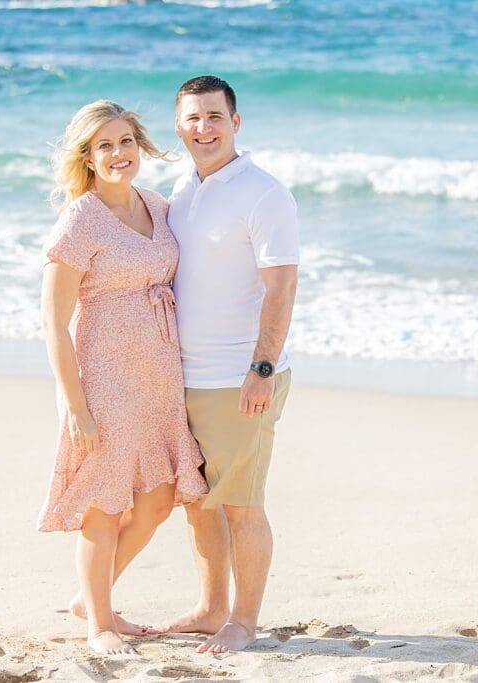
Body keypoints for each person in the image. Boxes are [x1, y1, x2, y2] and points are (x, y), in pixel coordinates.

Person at [37, 100, 208, 655]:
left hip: (160, 374)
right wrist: (75, 405)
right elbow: (52, 322)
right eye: (104, 145)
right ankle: (99, 625)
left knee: (158, 501)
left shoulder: (157, 206)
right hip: (106, 379)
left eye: (126, 141)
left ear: (141, 145)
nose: (118, 153)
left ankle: (94, 599)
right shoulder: (81, 218)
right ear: (86, 157)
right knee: (105, 503)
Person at [162, 76, 300, 653]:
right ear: (179, 127)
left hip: (240, 379)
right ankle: (210, 606)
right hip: (186, 375)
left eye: (215, 116)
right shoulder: (184, 187)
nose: (204, 128)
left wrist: (261, 367)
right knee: (199, 503)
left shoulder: (265, 194)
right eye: (193, 118)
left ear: (236, 122)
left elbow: (282, 287)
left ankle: (242, 621)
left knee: (242, 504)